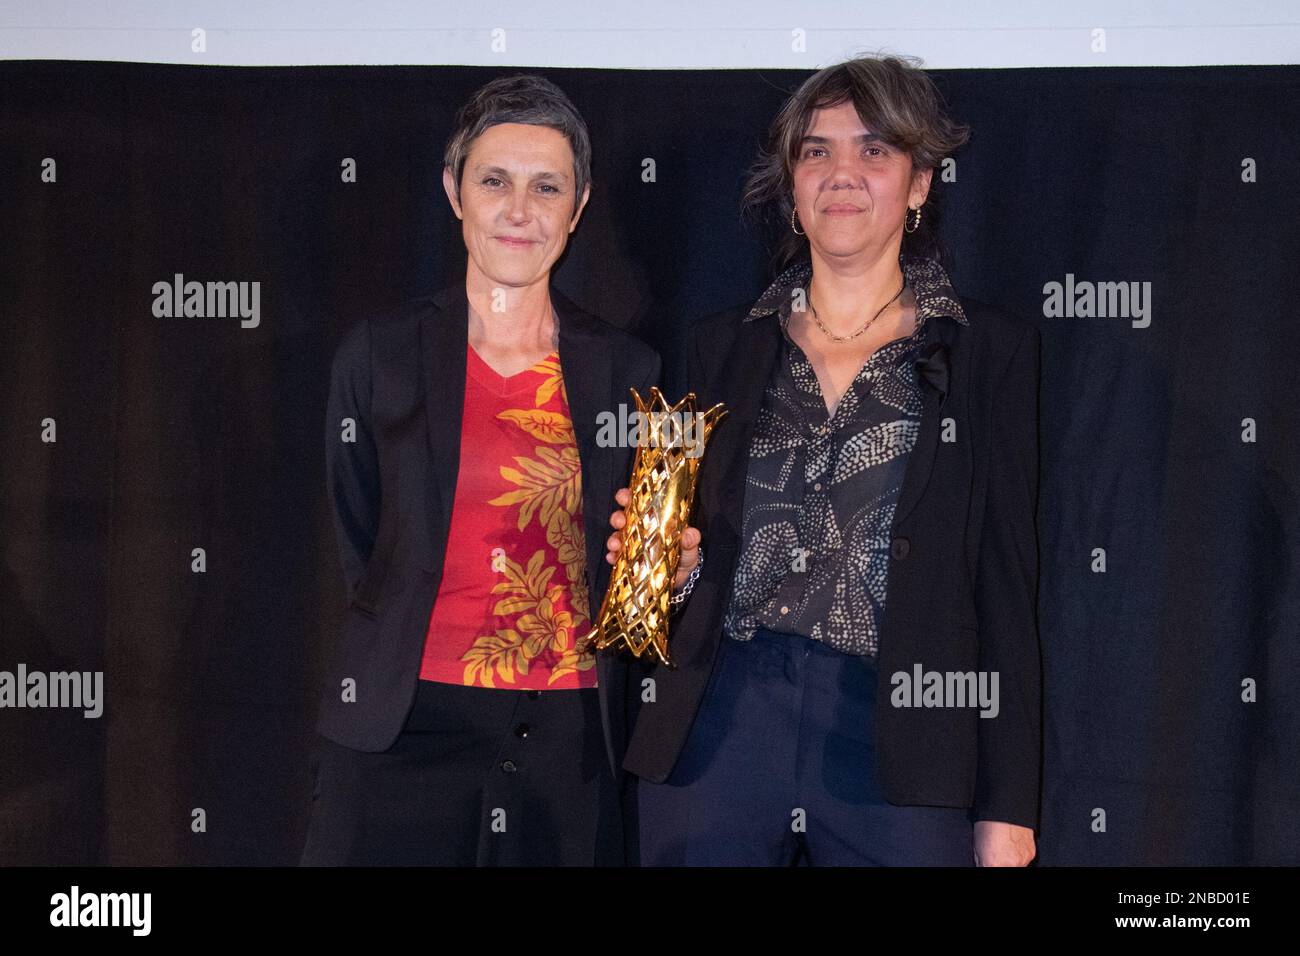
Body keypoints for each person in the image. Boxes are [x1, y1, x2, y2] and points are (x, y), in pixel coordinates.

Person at [607, 53, 1042, 866]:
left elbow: (1007, 587)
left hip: (901, 734)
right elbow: (672, 564)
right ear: (792, 186)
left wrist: (1008, 806)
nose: (842, 173)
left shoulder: (988, 352)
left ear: (919, 184)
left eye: (873, 149)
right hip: (718, 723)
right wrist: (671, 572)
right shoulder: (718, 344)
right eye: (817, 151)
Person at [301, 73, 661, 865]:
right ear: (453, 191)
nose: (519, 210)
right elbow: (359, 536)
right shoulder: (381, 355)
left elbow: (636, 566)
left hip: (567, 739)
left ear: (579, 206)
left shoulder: (628, 369)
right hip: (402, 726)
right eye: (494, 181)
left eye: (547, 187)